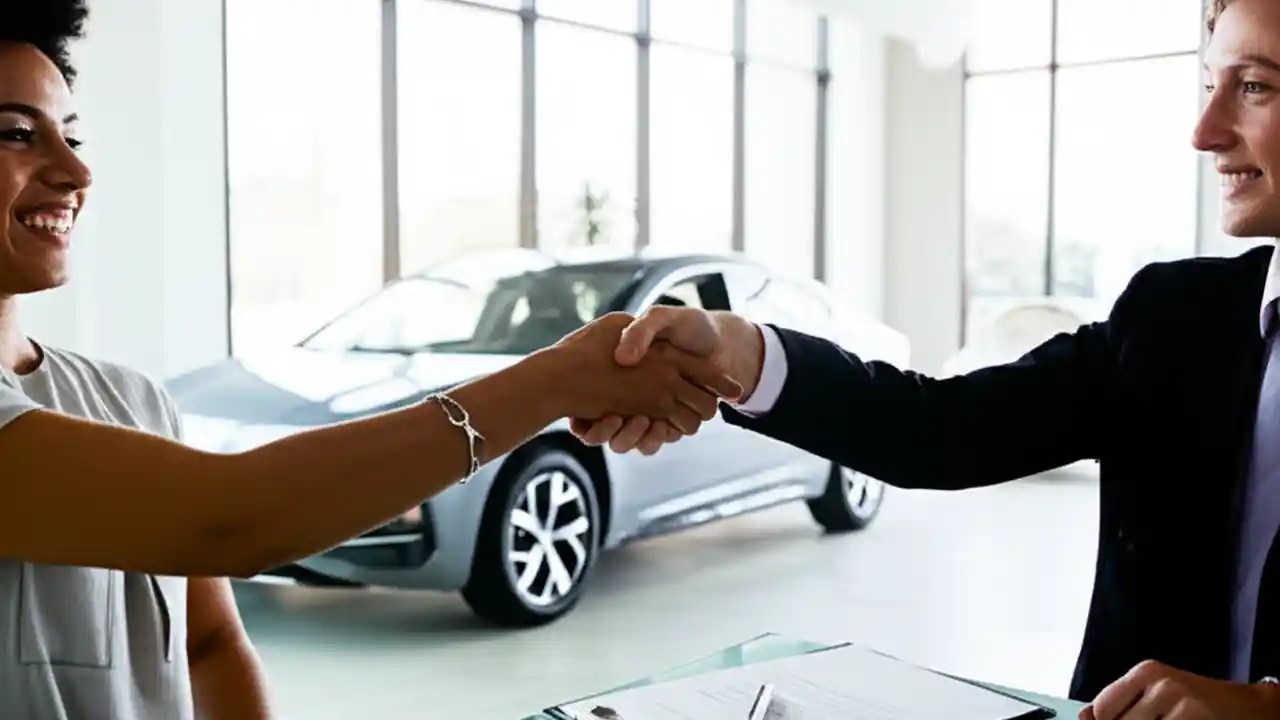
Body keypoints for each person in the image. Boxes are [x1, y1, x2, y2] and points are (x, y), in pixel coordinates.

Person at [0, 3, 739, 719]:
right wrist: (559, 376)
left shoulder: (130, 398)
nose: (74, 171)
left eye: (71, 136)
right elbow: (228, 517)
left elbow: (210, 644)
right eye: (14, 134)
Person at [577, 1, 1280, 718]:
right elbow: (939, 430)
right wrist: (741, 351)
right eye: (1209, 85)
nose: (1205, 133)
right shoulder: (1175, 312)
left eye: (1255, 86)